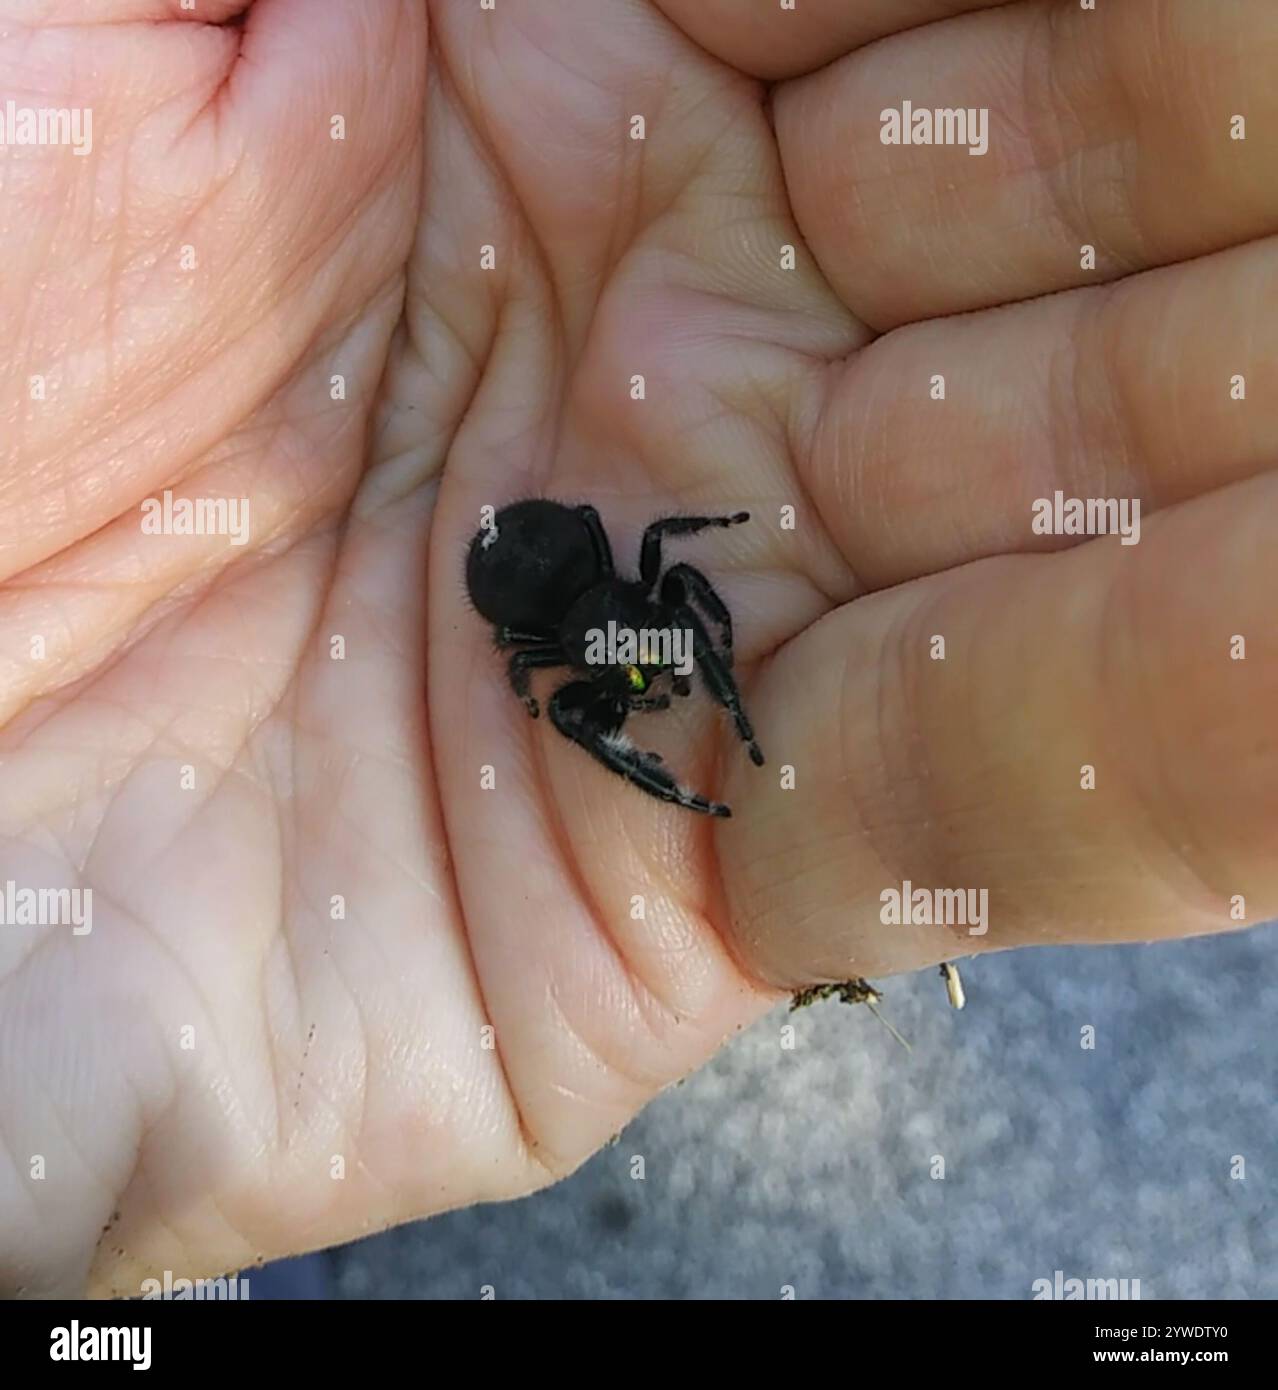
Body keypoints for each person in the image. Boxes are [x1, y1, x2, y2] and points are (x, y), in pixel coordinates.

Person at [1, 0, 1273, 1298]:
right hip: (543, 587)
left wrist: (713, 686)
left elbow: (665, 575)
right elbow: (559, 655)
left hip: (558, 583)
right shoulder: (566, 650)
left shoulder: (630, 617)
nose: (665, 679)